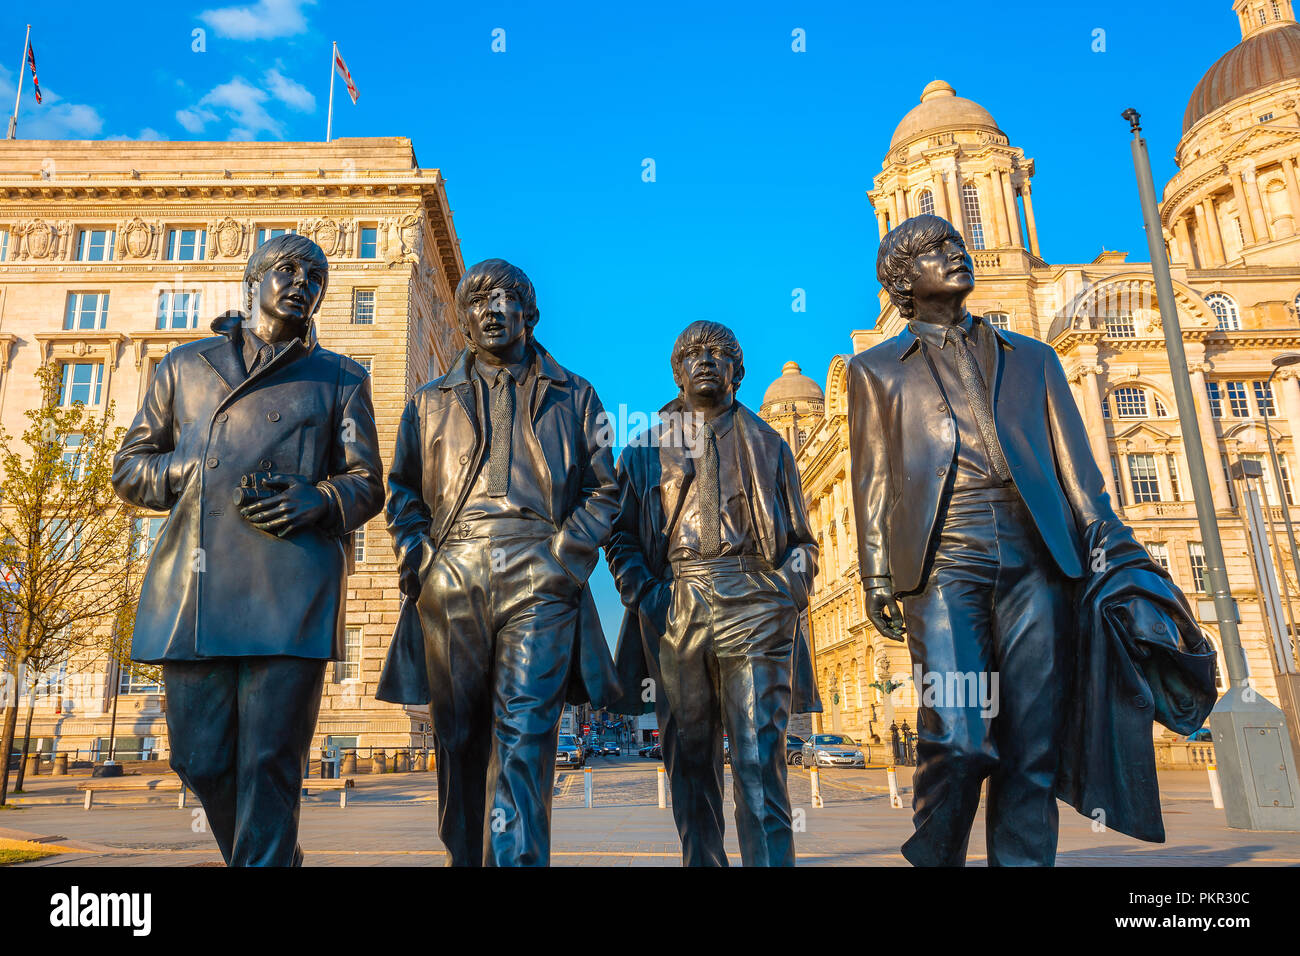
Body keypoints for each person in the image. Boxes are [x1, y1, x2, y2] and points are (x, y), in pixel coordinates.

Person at [847, 214, 1215, 866]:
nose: (955, 253)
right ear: (903, 278)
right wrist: (876, 573)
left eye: (956, 243)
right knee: (961, 739)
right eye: (935, 250)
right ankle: (932, 853)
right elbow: (875, 480)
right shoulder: (875, 370)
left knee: (1032, 744)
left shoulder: (1035, 358)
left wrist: (1114, 550)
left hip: (1039, 558)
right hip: (943, 557)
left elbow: (1081, 478)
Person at [112, 233, 383, 866]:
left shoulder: (341, 377)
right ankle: (274, 859)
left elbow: (367, 481)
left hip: (291, 587)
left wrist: (320, 500)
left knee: (270, 764)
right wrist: (191, 470)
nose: (301, 283)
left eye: (315, 277)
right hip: (197, 588)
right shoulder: (184, 366)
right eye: (286, 270)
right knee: (197, 757)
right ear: (252, 281)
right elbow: (130, 468)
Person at [383, 258, 621, 866]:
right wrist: (423, 561)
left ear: (530, 314)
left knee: (525, 737)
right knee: (460, 741)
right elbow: (403, 491)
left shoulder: (576, 393)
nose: (493, 309)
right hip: (454, 568)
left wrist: (566, 559)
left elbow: (604, 489)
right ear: (463, 320)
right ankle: (467, 857)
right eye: (479, 300)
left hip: (539, 570)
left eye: (507, 298)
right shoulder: (429, 401)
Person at [607, 320, 820, 867]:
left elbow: (802, 542)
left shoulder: (771, 445)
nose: (705, 359)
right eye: (692, 354)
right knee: (691, 763)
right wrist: (649, 596)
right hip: (680, 600)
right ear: (677, 373)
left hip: (755, 599)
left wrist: (783, 593)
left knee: (759, 762)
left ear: (737, 372)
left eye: (719, 352)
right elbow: (619, 534)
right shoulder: (644, 449)